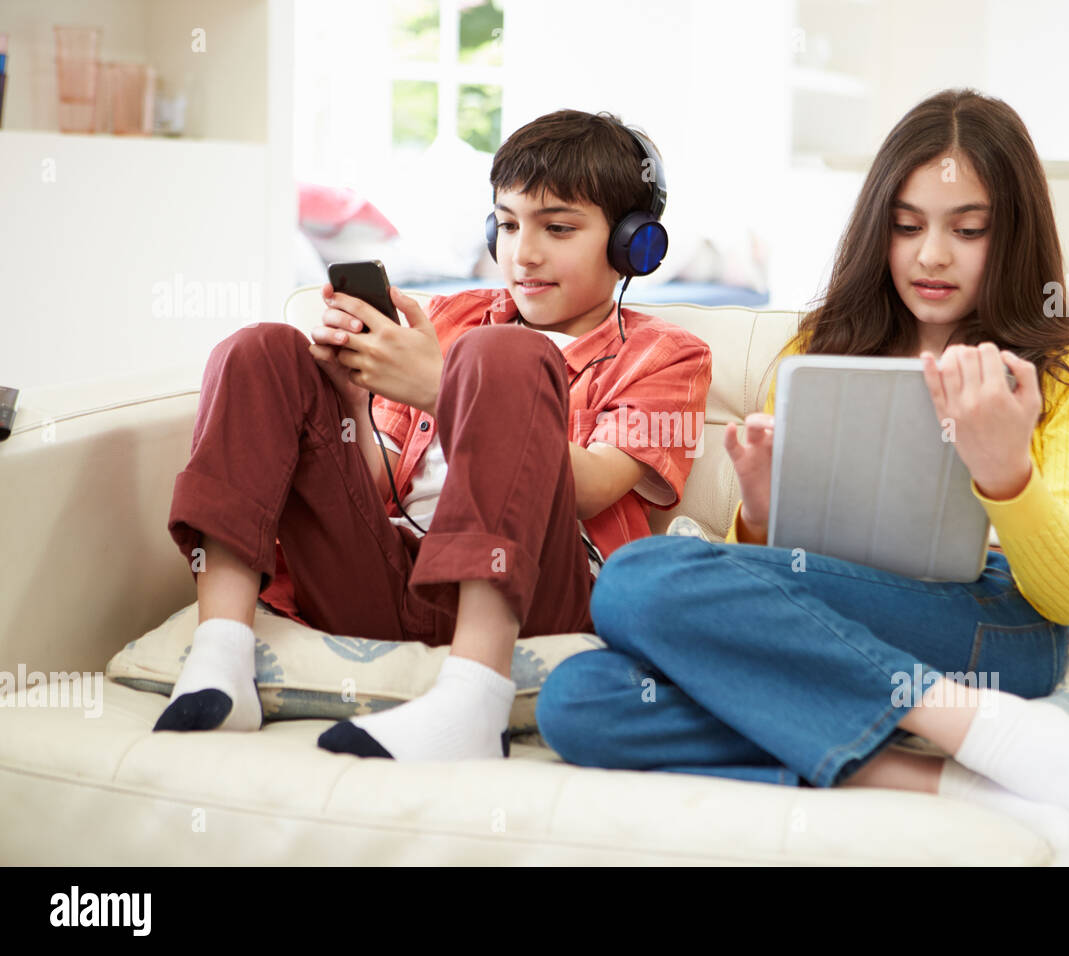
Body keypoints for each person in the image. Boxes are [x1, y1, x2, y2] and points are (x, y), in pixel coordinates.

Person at [536, 89, 1069, 851]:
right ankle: (965, 780)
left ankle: (977, 722)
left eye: (968, 230)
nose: (931, 255)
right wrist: (760, 511)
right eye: (907, 226)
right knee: (578, 702)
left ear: (1014, 236)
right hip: (835, 614)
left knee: (635, 579)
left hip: (997, 626)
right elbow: (760, 579)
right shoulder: (820, 351)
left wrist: (1005, 474)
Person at [159, 109, 712, 766]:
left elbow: (590, 488)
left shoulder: (664, 354)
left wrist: (437, 385)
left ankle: (473, 700)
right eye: (506, 225)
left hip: (534, 596)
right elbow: (374, 484)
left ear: (633, 245)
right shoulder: (450, 317)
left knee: (502, 352)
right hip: (388, 578)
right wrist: (344, 405)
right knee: (259, 350)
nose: (522, 253)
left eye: (557, 228)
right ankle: (221, 658)